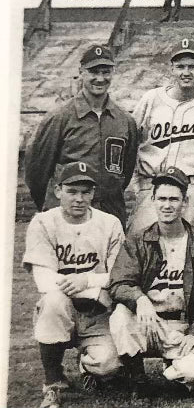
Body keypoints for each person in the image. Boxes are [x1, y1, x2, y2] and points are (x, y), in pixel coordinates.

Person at [107, 168, 194, 396]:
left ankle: (171, 374)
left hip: (182, 324)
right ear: (153, 200)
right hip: (148, 322)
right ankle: (138, 379)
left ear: (185, 202)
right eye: (162, 199)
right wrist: (140, 299)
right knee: (120, 315)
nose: (167, 205)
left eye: (174, 199)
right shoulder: (138, 240)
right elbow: (119, 283)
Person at [24, 163, 125, 408]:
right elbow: (44, 279)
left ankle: (86, 365)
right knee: (53, 300)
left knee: (109, 365)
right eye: (72, 191)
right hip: (63, 308)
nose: (79, 198)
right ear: (58, 191)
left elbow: (119, 274)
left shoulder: (110, 223)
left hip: (97, 315)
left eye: (85, 191)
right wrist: (92, 287)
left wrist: (87, 278)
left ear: (93, 193)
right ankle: (53, 380)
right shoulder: (43, 223)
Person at [25, 44, 140, 225]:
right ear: (81, 72)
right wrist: (54, 205)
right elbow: (37, 172)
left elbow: (125, 169)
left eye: (106, 72)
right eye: (93, 72)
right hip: (68, 214)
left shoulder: (125, 120)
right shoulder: (60, 117)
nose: (100, 79)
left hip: (109, 213)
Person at [129, 38, 194, 235]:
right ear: (171, 68)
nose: (186, 73)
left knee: (190, 253)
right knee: (143, 248)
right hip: (152, 186)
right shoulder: (151, 99)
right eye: (180, 66)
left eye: (192, 67)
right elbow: (130, 142)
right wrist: (139, 186)